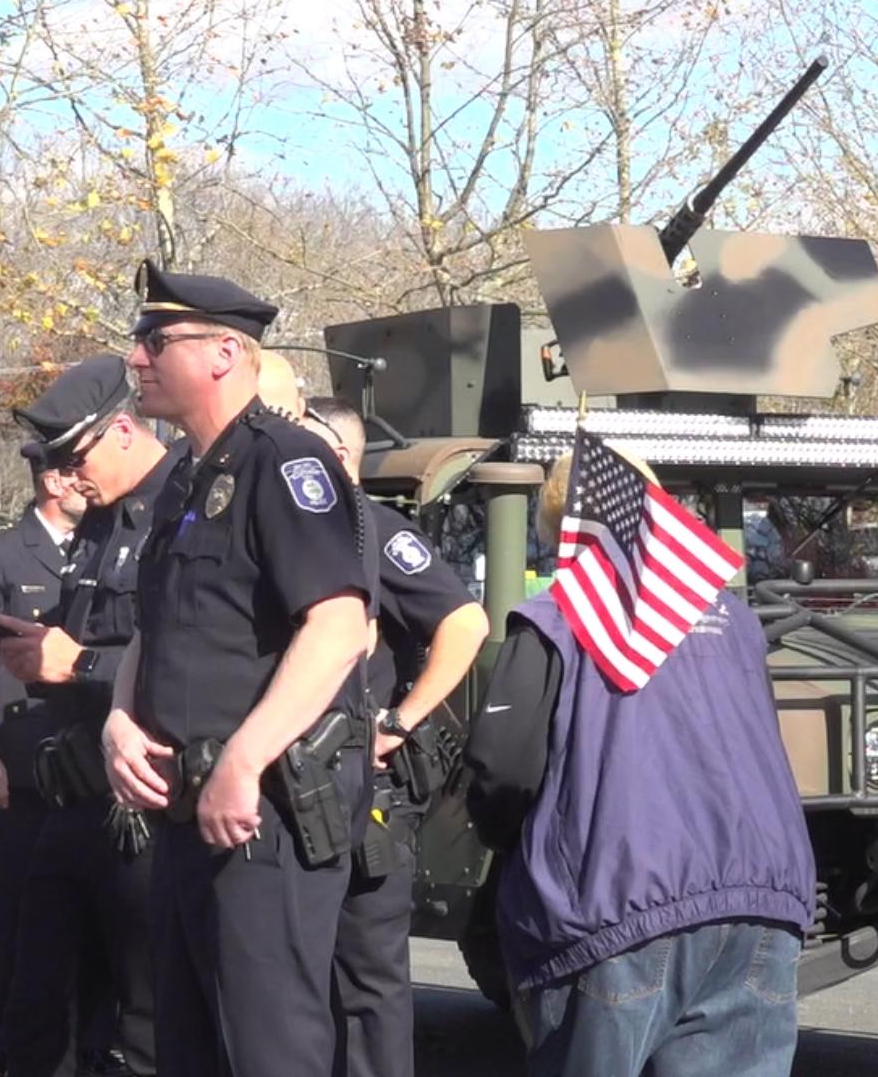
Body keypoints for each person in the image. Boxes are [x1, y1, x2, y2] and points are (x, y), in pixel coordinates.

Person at [100, 260, 375, 1077]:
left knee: (268, 1050)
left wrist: (245, 762)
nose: (137, 358)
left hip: (263, 814)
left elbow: (338, 626)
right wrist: (120, 719)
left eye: (156, 341)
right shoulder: (187, 477)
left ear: (224, 352)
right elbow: (157, 626)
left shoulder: (285, 463)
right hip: (186, 807)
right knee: (185, 1049)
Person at [463, 450, 815, 1077]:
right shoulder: (733, 619)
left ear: (560, 530)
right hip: (760, 897)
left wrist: (504, 842)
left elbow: (502, 770)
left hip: (616, 907)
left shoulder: (555, 620)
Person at [0, 355, 180, 1077]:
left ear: (123, 430)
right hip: (73, 794)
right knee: (40, 1011)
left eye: (77, 458)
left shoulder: (187, 506)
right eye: (59, 463)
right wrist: (40, 653)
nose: (67, 478)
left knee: (149, 1021)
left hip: (145, 805)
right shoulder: (100, 523)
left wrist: (79, 664)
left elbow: (190, 657)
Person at [301, 395, 489, 1077]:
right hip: (302, 785)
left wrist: (401, 720)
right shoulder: (298, 533)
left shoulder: (374, 531)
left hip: (370, 791)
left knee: (367, 974)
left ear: (339, 455)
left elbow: (465, 623)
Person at [0, 458, 95, 1077]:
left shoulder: (101, 547)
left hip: (85, 766)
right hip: (19, 766)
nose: (87, 483)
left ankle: (84, 1044)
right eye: (75, 472)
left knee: (87, 919)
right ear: (53, 482)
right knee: (11, 916)